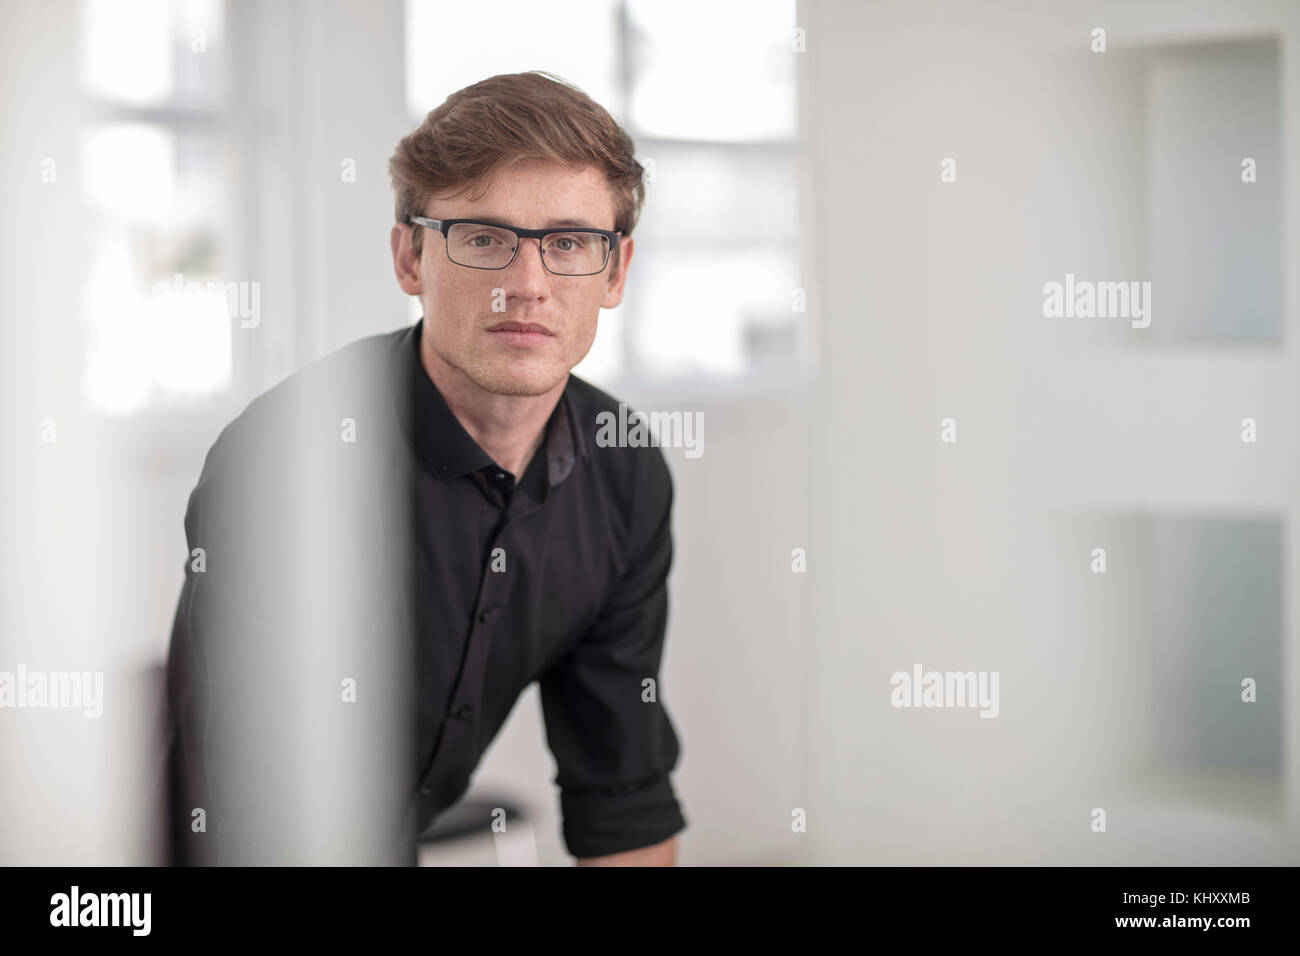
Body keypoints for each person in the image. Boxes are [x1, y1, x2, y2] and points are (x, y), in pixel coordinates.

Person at [165, 71, 686, 866]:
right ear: (411, 257)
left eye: (570, 243)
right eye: (483, 238)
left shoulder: (622, 469)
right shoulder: (290, 463)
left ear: (615, 273)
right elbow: (258, 821)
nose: (529, 285)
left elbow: (623, 797)